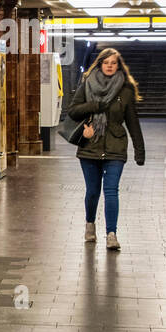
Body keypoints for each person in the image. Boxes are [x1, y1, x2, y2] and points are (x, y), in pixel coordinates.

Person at [66, 46, 145, 251]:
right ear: (100, 64)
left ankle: (112, 234)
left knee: (111, 191)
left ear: (118, 66)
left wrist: (139, 149)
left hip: (115, 146)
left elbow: (132, 122)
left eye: (113, 63)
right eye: (106, 63)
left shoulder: (125, 90)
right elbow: (73, 111)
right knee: (93, 192)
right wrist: (94, 106)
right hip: (90, 145)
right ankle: (90, 224)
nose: (110, 66)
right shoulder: (87, 84)